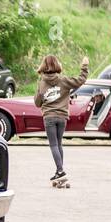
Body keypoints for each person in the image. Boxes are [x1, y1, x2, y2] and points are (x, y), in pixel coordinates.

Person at [34, 54, 89, 187]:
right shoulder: (64, 80)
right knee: (59, 144)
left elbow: (37, 103)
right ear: (57, 65)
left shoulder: (41, 82)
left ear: (43, 66)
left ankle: (60, 171)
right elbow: (81, 80)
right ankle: (59, 173)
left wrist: (41, 93)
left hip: (49, 117)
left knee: (53, 145)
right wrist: (84, 66)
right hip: (62, 117)